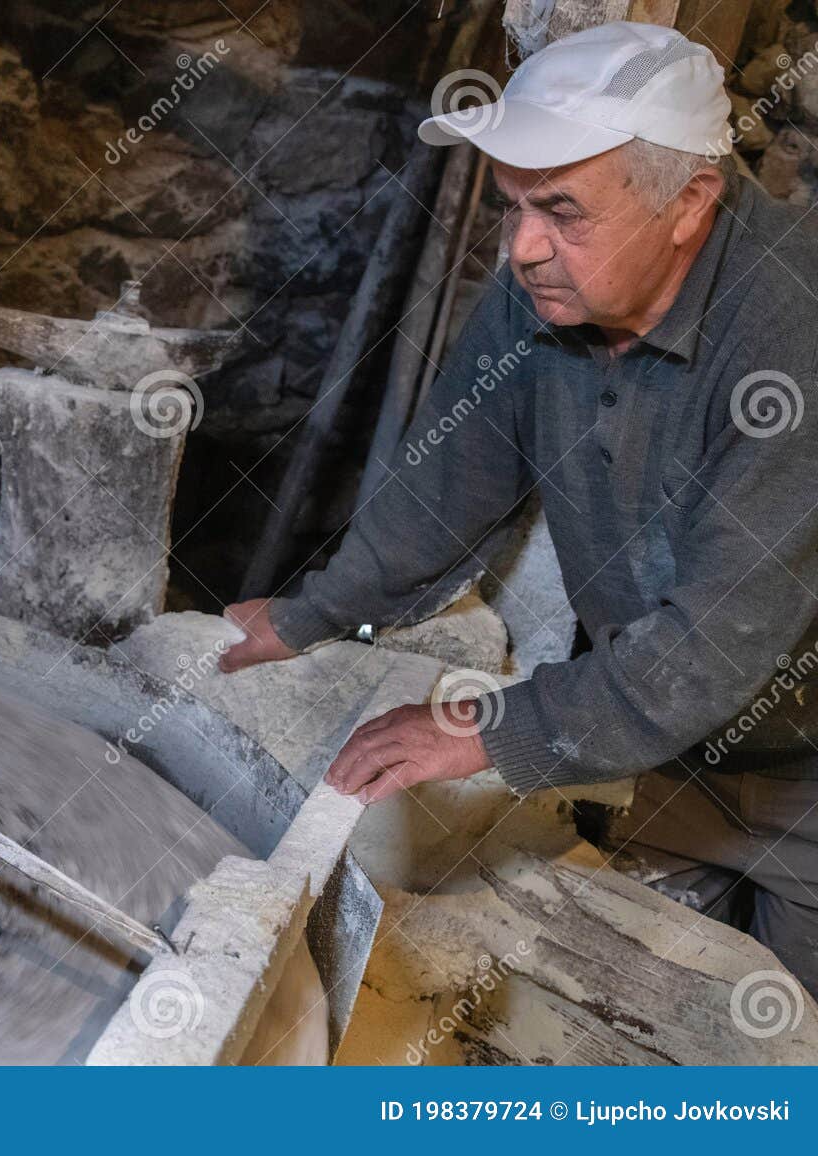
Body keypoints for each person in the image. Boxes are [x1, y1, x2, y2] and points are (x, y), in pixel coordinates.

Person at [220, 21, 818, 994]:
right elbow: (447, 486)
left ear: (689, 202)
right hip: (675, 748)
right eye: (509, 208)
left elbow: (712, 650)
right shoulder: (548, 291)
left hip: (804, 762)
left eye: (560, 211)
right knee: (641, 1010)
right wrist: (309, 614)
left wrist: (482, 729)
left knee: (791, 1045)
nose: (523, 247)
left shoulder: (791, 331)